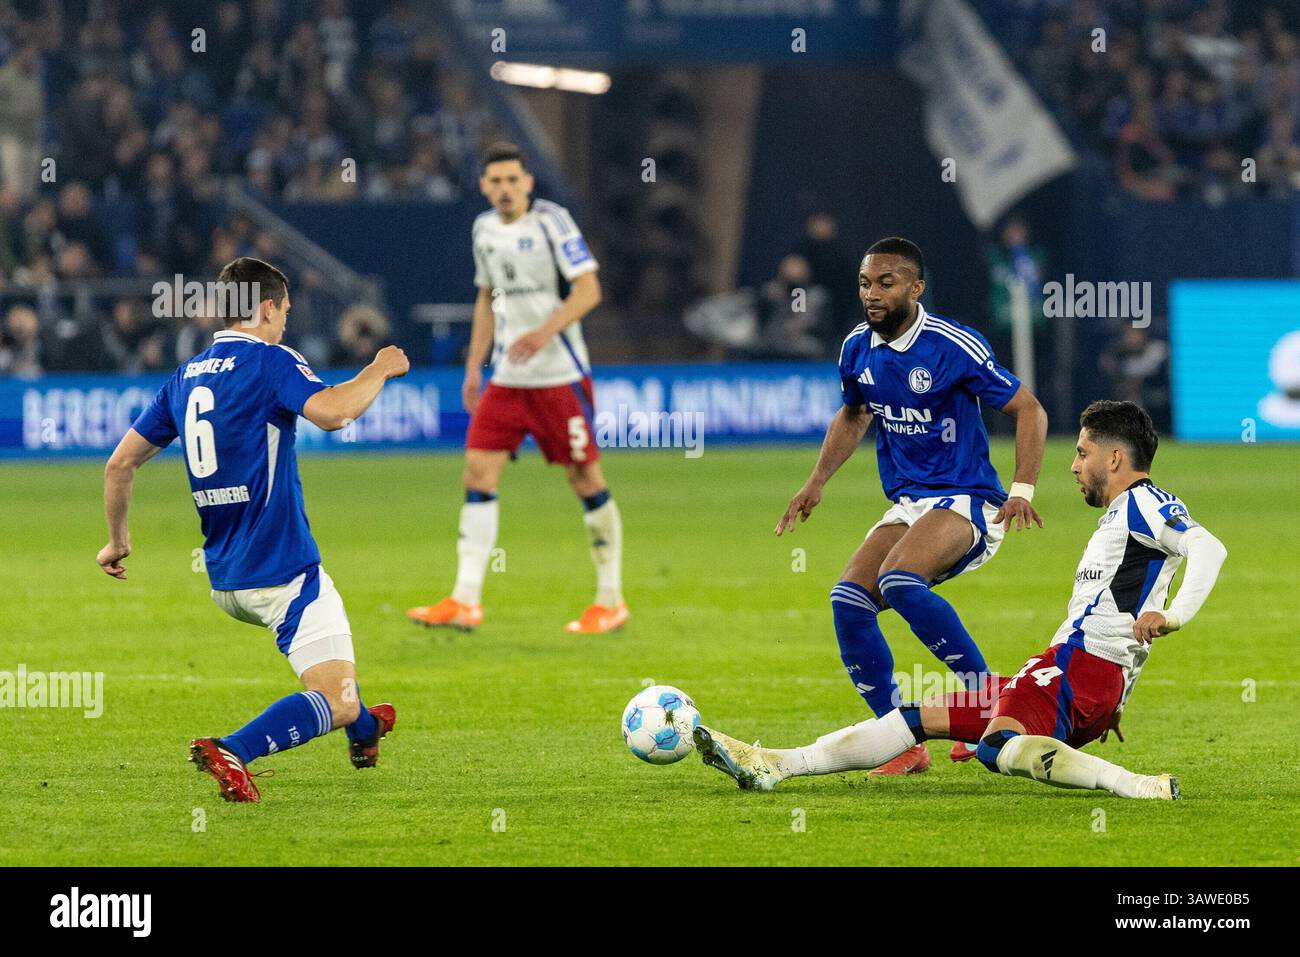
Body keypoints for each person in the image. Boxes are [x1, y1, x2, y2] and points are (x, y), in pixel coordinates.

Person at [697, 401, 1226, 800]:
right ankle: (775, 764)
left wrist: (1174, 615)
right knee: (916, 719)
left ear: (1115, 457)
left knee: (994, 748)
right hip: (1084, 680)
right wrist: (1113, 698)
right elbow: (1124, 606)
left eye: (1082, 453)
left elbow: (1208, 546)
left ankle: (1135, 785)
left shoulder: (1144, 504)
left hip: (1076, 669)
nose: (1073, 466)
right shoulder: (1128, 514)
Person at [96, 257, 410, 802]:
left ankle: (365, 729)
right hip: (280, 569)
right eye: (284, 311)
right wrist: (380, 366)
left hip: (225, 580)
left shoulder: (186, 374)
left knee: (340, 679)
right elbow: (335, 413)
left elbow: (119, 465)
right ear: (266, 308)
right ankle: (233, 748)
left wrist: (117, 541)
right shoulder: (269, 362)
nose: (285, 322)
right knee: (333, 696)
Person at [775, 237, 1048, 774]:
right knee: (847, 602)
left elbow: (1029, 409)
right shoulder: (857, 345)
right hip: (908, 503)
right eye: (863, 283)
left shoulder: (952, 344)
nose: (871, 294)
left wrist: (1022, 490)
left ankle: (992, 704)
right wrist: (816, 482)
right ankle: (903, 742)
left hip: (968, 501)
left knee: (899, 581)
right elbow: (854, 414)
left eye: (885, 283)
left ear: (915, 287)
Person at [407, 142, 625, 634]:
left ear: (528, 182)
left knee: (586, 480)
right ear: (484, 187)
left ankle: (610, 601)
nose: (504, 189)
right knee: (478, 473)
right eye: (495, 181)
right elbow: (487, 296)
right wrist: (473, 367)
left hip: (558, 378)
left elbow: (589, 289)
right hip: (507, 379)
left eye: (513, 180)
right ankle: (465, 600)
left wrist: (544, 332)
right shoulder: (483, 229)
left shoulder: (553, 221)